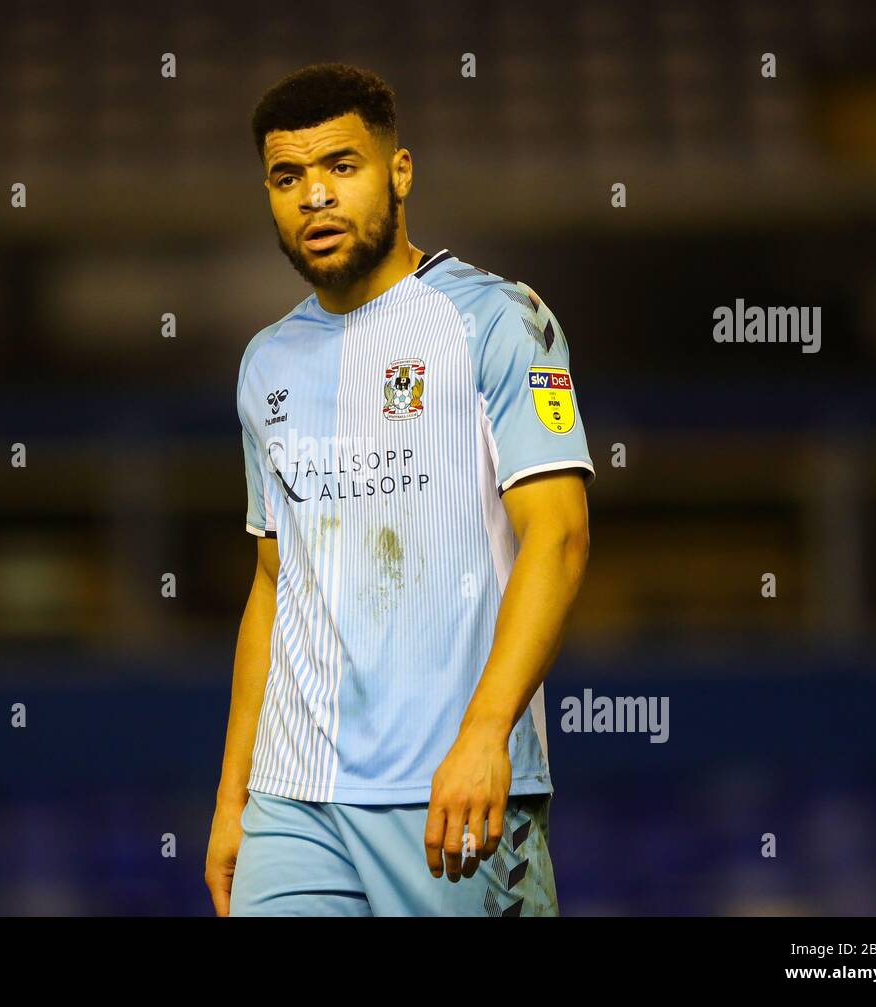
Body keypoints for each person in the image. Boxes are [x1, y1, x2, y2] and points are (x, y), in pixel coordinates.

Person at [206, 62, 594, 917]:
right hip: (293, 805)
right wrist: (236, 800)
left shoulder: (498, 320)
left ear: (399, 170)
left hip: (449, 787)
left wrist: (486, 731)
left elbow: (558, 536)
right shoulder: (264, 363)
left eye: (341, 166)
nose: (314, 197)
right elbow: (273, 586)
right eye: (288, 176)